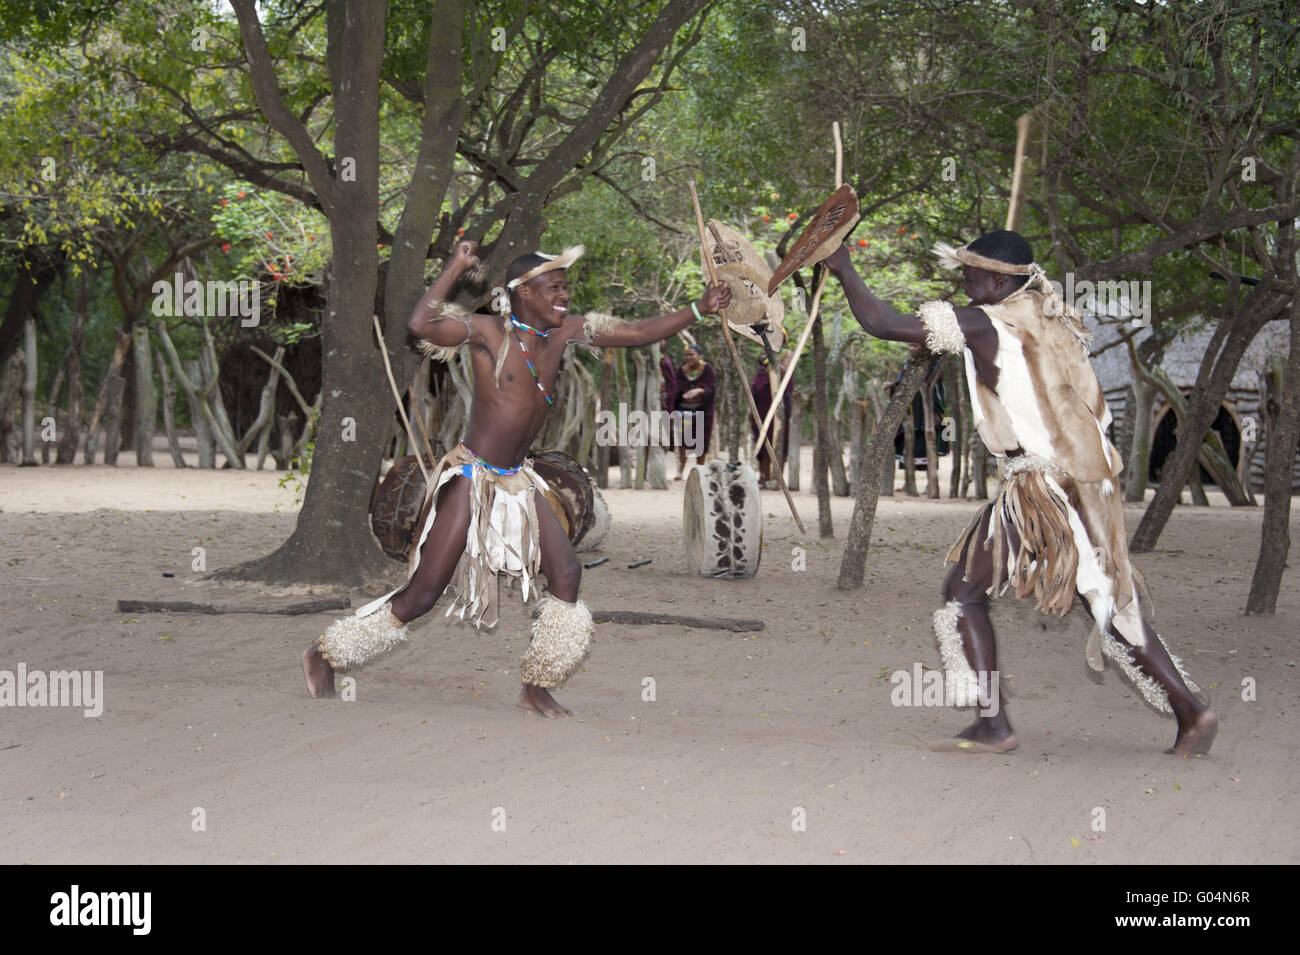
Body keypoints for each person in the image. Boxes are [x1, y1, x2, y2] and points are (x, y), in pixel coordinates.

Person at [823, 229, 1217, 755]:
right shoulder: (1049, 317)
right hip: (1082, 483)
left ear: (998, 280)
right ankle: (1189, 712)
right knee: (1102, 602)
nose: (963, 283)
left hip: (1043, 487)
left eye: (971, 275)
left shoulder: (986, 323)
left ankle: (996, 725)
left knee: (967, 595)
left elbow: (880, 322)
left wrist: (844, 267)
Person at [302, 240, 731, 717]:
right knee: (424, 592)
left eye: (566, 287)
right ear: (522, 292)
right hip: (471, 479)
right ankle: (325, 655)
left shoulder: (567, 331)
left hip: (519, 481)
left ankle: (537, 685)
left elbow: (636, 331)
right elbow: (420, 325)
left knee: (567, 572)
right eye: (553, 288)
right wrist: (456, 268)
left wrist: (698, 308)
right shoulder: (488, 331)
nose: (564, 297)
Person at [673, 343, 715, 479]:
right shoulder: (681, 370)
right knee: (683, 442)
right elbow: (676, 390)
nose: (688, 357)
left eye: (692, 354)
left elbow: (712, 389)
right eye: (686, 355)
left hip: (702, 411)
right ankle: (680, 472)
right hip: (684, 412)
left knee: (700, 443)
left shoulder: (708, 370)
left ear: (700, 356)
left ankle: (700, 471)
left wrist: (700, 391)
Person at [750, 353, 791, 487]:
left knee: (778, 444)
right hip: (761, 413)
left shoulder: (784, 356)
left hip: (777, 414)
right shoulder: (763, 367)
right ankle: (764, 477)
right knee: (762, 445)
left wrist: (773, 362)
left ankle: (775, 479)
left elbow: (786, 377)